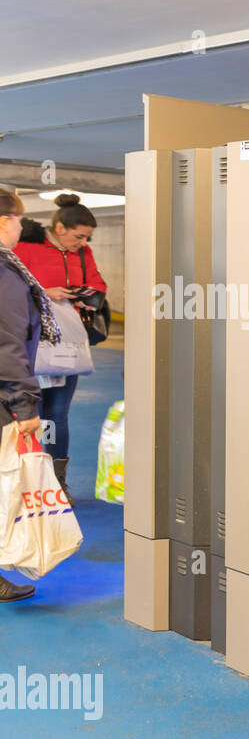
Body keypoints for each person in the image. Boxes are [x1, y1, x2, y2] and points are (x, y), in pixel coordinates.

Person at [15, 193, 106, 506]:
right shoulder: (27, 248)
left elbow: (98, 284)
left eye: (87, 238)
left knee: (57, 414)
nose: (82, 242)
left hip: (66, 346)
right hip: (30, 344)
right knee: (30, 414)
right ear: (60, 228)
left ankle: (56, 484)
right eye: (78, 236)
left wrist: (86, 294)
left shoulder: (84, 254)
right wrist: (45, 292)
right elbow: (11, 288)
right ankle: (27, 484)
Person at [1, 188, 61, 602]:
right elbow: (7, 344)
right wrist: (25, 405)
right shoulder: (4, 273)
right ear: (4, 221)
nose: (22, 227)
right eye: (19, 219)